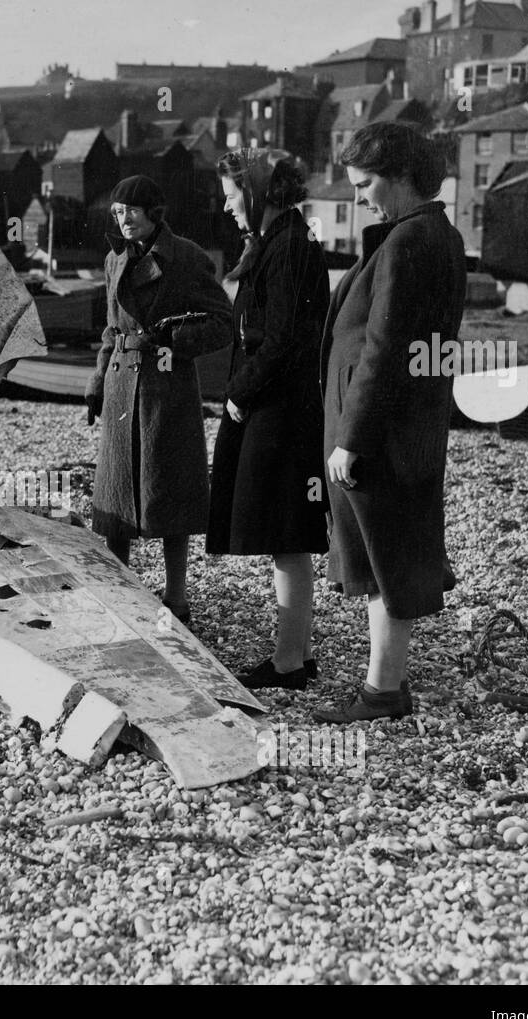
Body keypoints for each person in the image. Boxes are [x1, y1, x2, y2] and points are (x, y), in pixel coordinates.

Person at [312, 122, 466, 724]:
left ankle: (383, 693)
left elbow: (386, 348)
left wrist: (353, 439)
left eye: (366, 183)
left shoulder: (409, 241)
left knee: (386, 560)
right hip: (408, 428)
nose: (358, 197)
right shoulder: (436, 234)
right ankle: (383, 686)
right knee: (386, 559)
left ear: (402, 176)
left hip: (382, 433)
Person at [85, 175, 234, 624]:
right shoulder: (114, 260)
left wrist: (176, 337)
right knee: (114, 495)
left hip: (166, 387)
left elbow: (223, 322)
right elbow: (112, 329)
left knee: (171, 491)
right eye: (116, 212)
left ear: (154, 211)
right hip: (119, 386)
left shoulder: (187, 257)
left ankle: (176, 596)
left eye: (130, 209)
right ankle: (123, 589)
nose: (123, 218)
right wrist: (96, 380)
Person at [206, 149, 329, 690]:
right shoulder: (280, 244)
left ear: (255, 194)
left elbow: (280, 342)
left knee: (286, 536)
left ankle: (288, 662)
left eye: (232, 197)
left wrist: (238, 392)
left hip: (281, 411)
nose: (227, 207)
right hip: (277, 407)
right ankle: (296, 653)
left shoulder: (288, 251)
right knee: (288, 535)